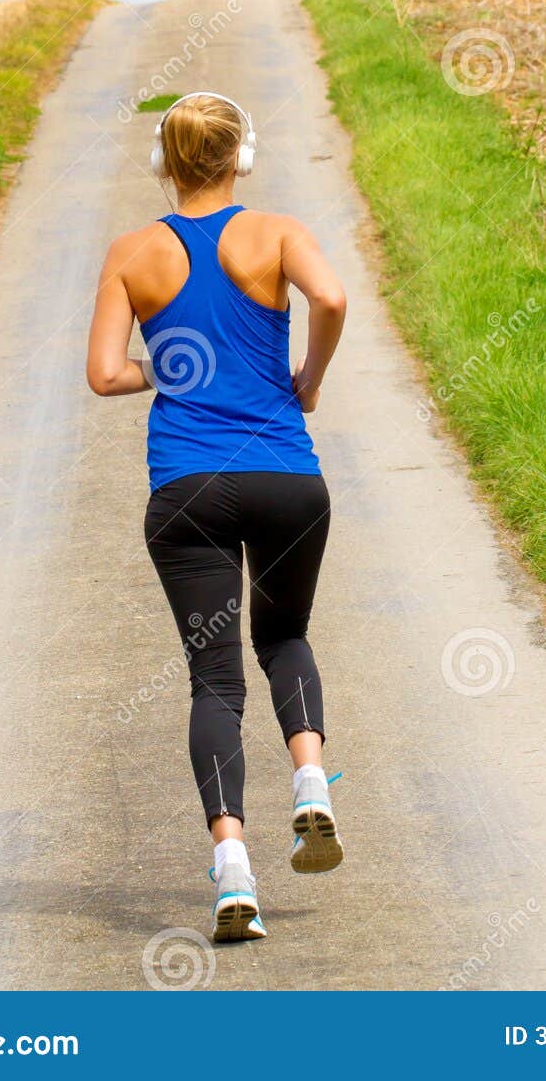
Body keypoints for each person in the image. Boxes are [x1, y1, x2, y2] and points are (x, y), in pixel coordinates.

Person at [86, 90, 347, 943]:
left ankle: (232, 868)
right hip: (286, 480)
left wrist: (170, 369)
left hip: (187, 489)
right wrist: (306, 379)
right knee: (285, 638)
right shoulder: (276, 232)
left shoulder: (132, 251)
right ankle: (309, 782)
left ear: (163, 165)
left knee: (214, 681)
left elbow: (102, 374)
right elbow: (333, 299)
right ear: (241, 157)